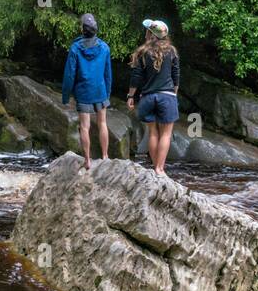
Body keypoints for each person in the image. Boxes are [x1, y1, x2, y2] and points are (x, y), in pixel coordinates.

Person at [125, 19, 180, 176]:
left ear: (150, 34)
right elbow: (176, 76)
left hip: (148, 98)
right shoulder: (172, 51)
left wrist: (130, 96)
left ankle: (155, 168)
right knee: (166, 134)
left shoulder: (142, 52)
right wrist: (174, 94)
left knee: (153, 133)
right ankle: (159, 169)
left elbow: (136, 77)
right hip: (167, 96)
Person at [61, 13, 113, 170]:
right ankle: (105, 156)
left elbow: (69, 74)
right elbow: (108, 73)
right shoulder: (104, 47)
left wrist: (65, 95)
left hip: (83, 91)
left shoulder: (75, 48)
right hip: (100, 90)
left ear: (82, 29)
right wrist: (108, 92)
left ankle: (88, 160)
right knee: (103, 123)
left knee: (85, 127)